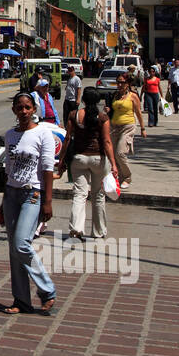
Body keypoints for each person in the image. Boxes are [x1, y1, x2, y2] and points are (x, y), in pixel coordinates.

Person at [0, 92, 57, 314]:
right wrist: (1, 204)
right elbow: (8, 172)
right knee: (13, 249)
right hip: (11, 195)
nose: (23, 112)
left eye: (27, 107)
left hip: (32, 194)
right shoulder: (10, 135)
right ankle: (21, 300)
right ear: (14, 110)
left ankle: (47, 290)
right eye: (19, 108)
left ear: (34, 109)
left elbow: (48, 168)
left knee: (21, 243)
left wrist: (48, 201)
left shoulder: (43, 133)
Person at [60, 87, 115, 241]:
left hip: (79, 159)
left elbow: (67, 139)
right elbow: (107, 141)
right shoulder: (103, 117)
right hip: (99, 159)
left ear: (83, 99)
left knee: (79, 194)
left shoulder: (74, 115)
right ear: (98, 101)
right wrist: (114, 164)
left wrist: (61, 160)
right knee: (98, 196)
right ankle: (99, 231)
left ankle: (76, 228)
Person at [108, 73, 145, 190]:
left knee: (120, 152)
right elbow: (111, 110)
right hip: (114, 127)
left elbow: (138, 113)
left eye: (122, 82)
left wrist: (143, 128)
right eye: (117, 82)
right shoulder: (115, 95)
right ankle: (118, 176)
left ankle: (127, 177)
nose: (119, 85)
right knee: (113, 154)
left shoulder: (133, 96)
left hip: (128, 127)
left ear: (128, 84)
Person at [62, 66, 83, 130]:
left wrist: (78, 99)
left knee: (73, 115)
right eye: (69, 71)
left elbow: (79, 89)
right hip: (67, 99)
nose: (70, 72)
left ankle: (73, 128)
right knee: (66, 115)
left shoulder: (77, 79)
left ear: (73, 70)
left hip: (73, 100)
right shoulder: (70, 78)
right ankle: (66, 127)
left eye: (71, 71)